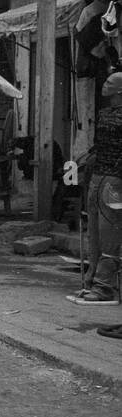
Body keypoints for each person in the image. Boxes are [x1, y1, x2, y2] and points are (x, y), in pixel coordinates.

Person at [69, 71, 122, 310]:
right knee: (94, 232)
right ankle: (91, 280)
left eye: (112, 82)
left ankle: (104, 286)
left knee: (109, 231)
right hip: (98, 175)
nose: (105, 83)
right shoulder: (103, 114)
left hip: (115, 179)